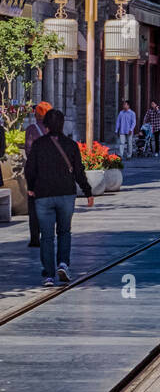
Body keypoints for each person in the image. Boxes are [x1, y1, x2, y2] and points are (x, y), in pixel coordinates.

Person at [24, 107, 93, 286]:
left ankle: (48, 274)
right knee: (64, 231)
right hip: (66, 194)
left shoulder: (39, 145)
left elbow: (29, 169)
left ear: (46, 125)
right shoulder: (71, 145)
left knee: (46, 236)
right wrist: (87, 191)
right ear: (62, 125)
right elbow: (78, 171)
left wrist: (31, 187)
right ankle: (63, 264)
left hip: (43, 195)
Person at [24, 100, 52, 247]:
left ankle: (35, 238)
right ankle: (48, 236)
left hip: (35, 175)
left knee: (34, 207)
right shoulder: (54, 131)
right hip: (50, 175)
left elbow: (28, 150)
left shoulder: (31, 129)